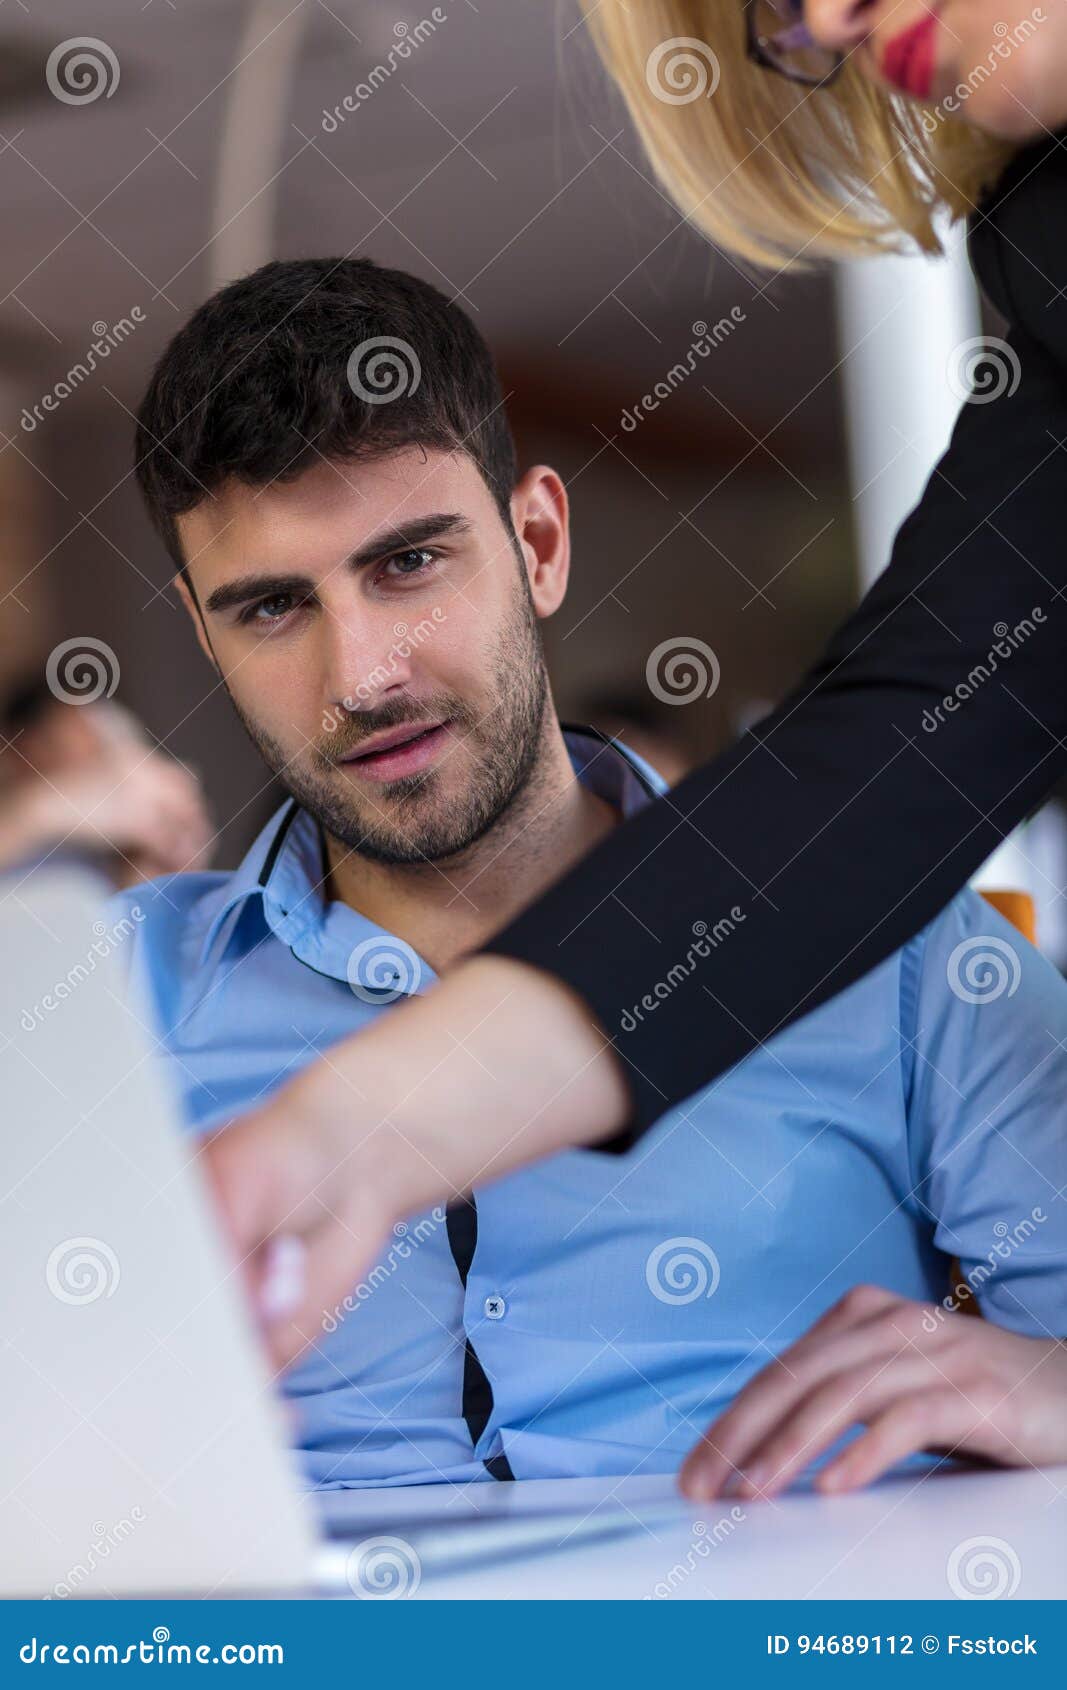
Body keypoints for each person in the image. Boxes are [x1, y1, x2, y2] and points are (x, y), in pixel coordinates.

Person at [192, 1, 1067, 1491]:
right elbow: (911, 738)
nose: (824, 15)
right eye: (773, 10)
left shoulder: (925, 981)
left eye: (410, 566)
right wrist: (350, 1135)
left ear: (538, 544)